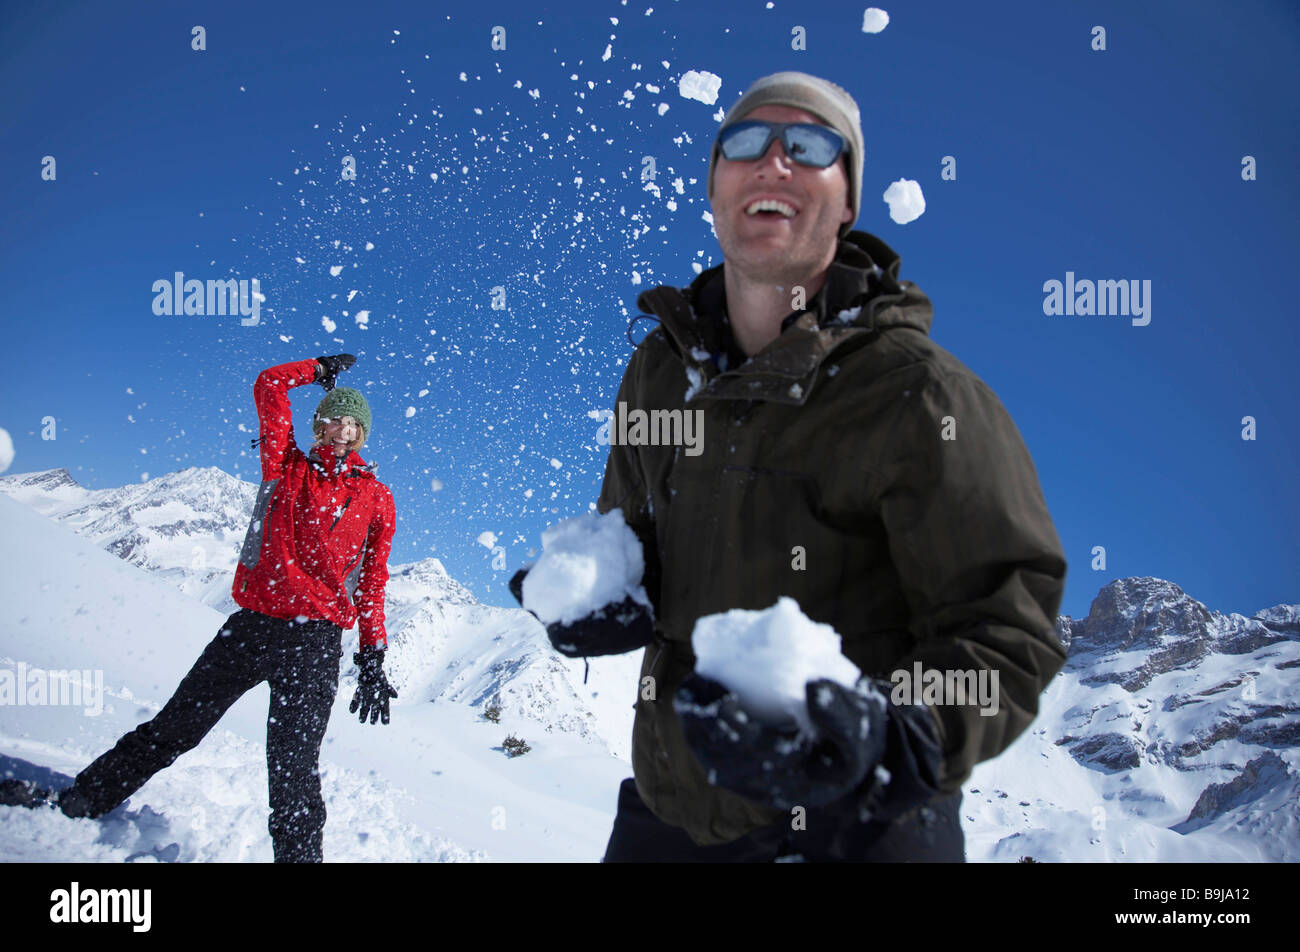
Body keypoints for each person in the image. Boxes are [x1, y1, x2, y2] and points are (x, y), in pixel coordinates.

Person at [520, 71, 1069, 862]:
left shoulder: (919, 393)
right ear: (713, 185)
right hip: (670, 812)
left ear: (847, 201)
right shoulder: (658, 371)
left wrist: (893, 735)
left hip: (854, 827)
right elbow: (628, 536)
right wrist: (603, 596)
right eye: (745, 143)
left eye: (810, 147)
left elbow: (1007, 626)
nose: (773, 162)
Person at [1, 355, 398, 862]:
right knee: (174, 728)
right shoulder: (284, 465)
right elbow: (269, 384)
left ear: (363, 434)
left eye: (354, 423)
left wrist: (373, 654)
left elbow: (371, 582)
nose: (343, 430)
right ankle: (79, 802)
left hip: (314, 646)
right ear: (317, 424)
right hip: (252, 629)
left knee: (293, 772)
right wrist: (315, 370)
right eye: (333, 418)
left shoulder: (376, 497)